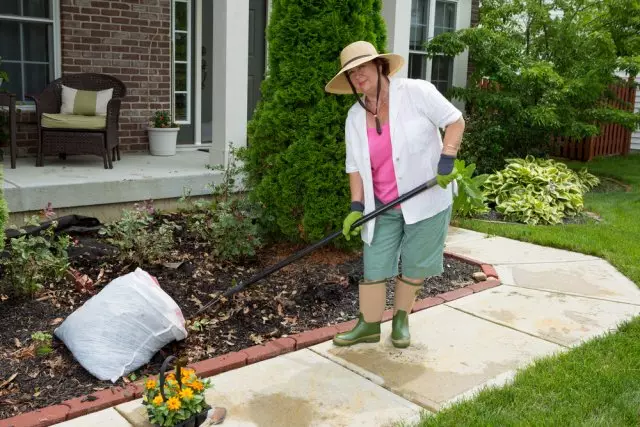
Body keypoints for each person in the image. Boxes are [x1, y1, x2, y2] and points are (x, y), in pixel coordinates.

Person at [324, 40, 465, 348]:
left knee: (415, 264)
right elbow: (354, 167)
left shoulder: (417, 93)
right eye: (352, 73)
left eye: (363, 67)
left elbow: (455, 121)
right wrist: (356, 205)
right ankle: (369, 324)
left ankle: (401, 319)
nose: (359, 76)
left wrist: (447, 158)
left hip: (426, 200)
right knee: (374, 265)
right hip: (382, 204)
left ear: (379, 65)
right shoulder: (353, 117)